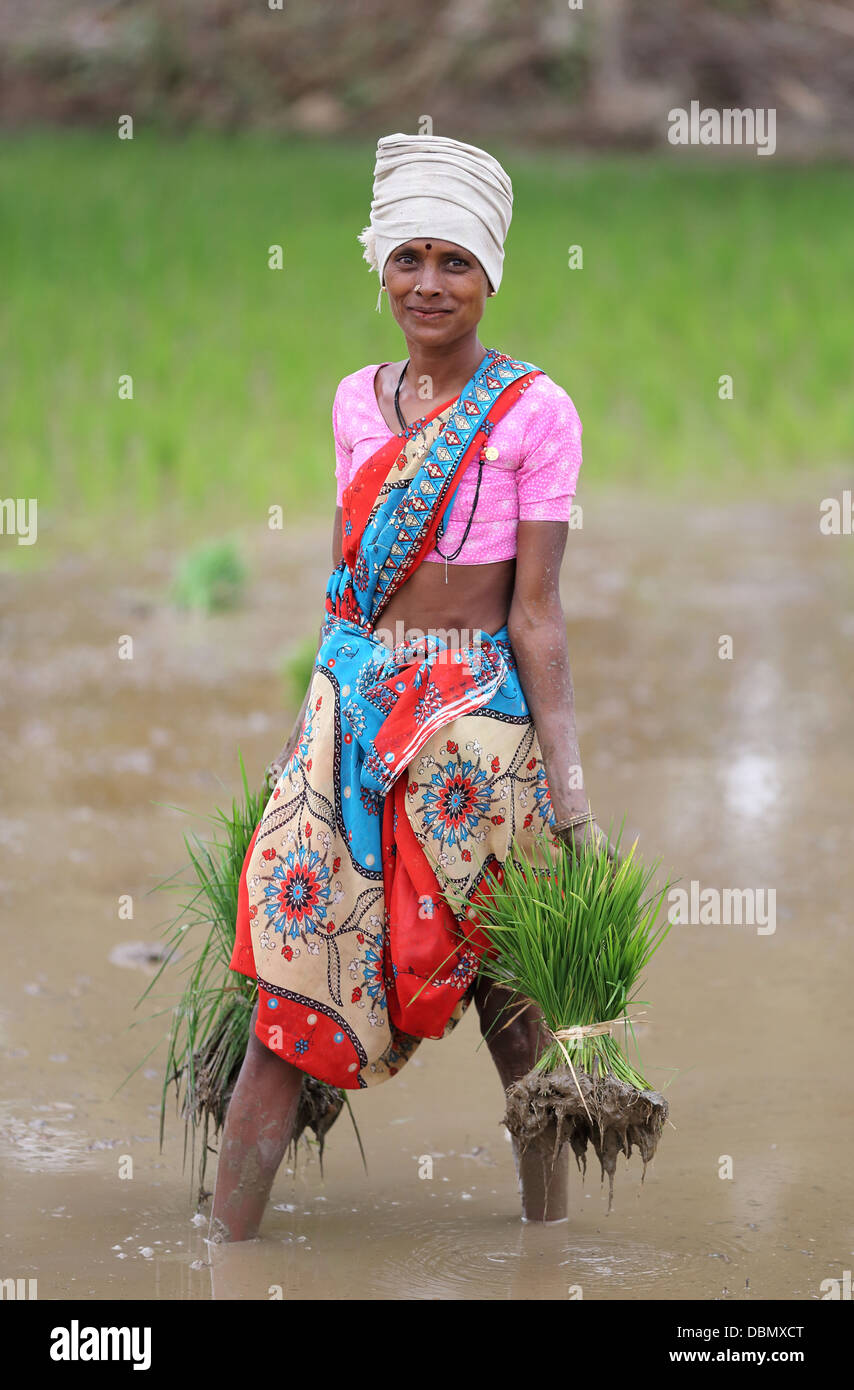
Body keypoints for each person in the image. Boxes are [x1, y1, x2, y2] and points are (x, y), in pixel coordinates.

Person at [211, 132, 613, 1243]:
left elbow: (534, 612)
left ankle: (548, 1250)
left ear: (490, 276)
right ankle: (218, 1258)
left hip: (475, 741)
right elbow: (346, 589)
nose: (428, 284)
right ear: (379, 267)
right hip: (345, 729)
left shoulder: (534, 411)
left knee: (513, 1016)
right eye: (408, 259)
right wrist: (305, 748)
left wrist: (568, 796)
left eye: (453, 263)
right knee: (283, 1010)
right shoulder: (351, 402)